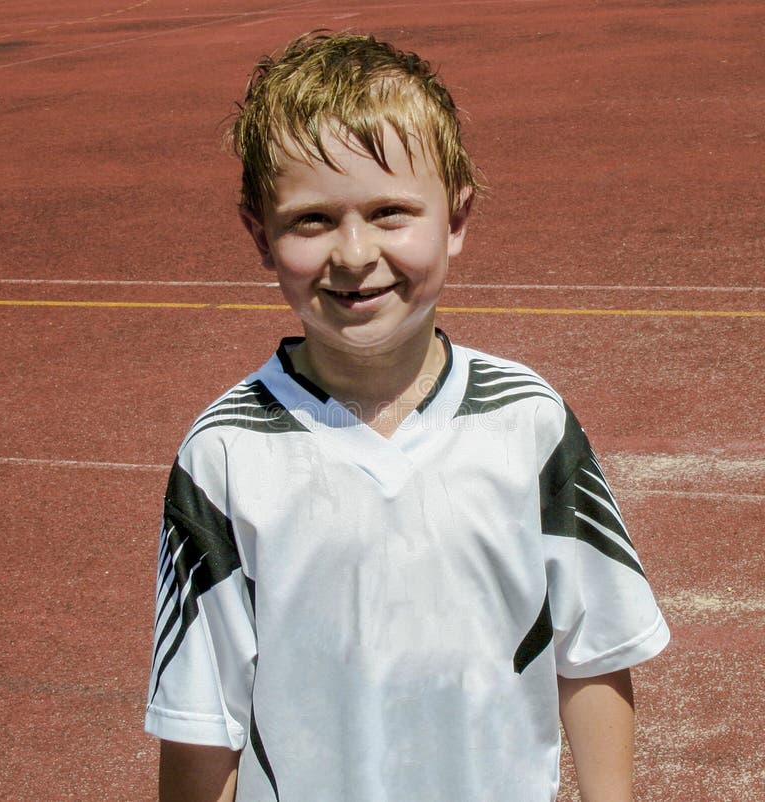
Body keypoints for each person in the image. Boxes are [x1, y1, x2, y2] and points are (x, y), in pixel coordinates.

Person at [145, 31, 669, 802]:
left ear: (455, 219)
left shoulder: (529, 422)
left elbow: (593, 650)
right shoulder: (224, 455)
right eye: (312, 220)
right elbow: (201, 717)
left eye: (391, 212)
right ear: (261, 235)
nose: (354, 253)